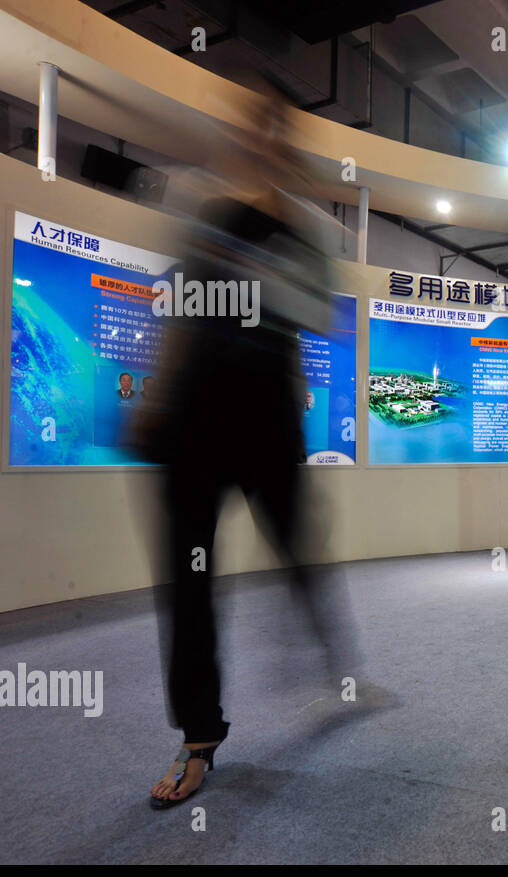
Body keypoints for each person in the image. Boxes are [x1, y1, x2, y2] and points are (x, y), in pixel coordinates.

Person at [137, 70, 358, 810]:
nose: (259, 134)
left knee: (297, 549)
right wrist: (160, 392)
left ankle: (327, 643)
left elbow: (313, 317)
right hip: (194, 424)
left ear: (288, 138)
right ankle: (200, 738)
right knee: (188, 583)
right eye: (251, 120)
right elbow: (177, 311)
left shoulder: (304, 229)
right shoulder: (201, 205)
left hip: (264, 421)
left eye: (275, 124)